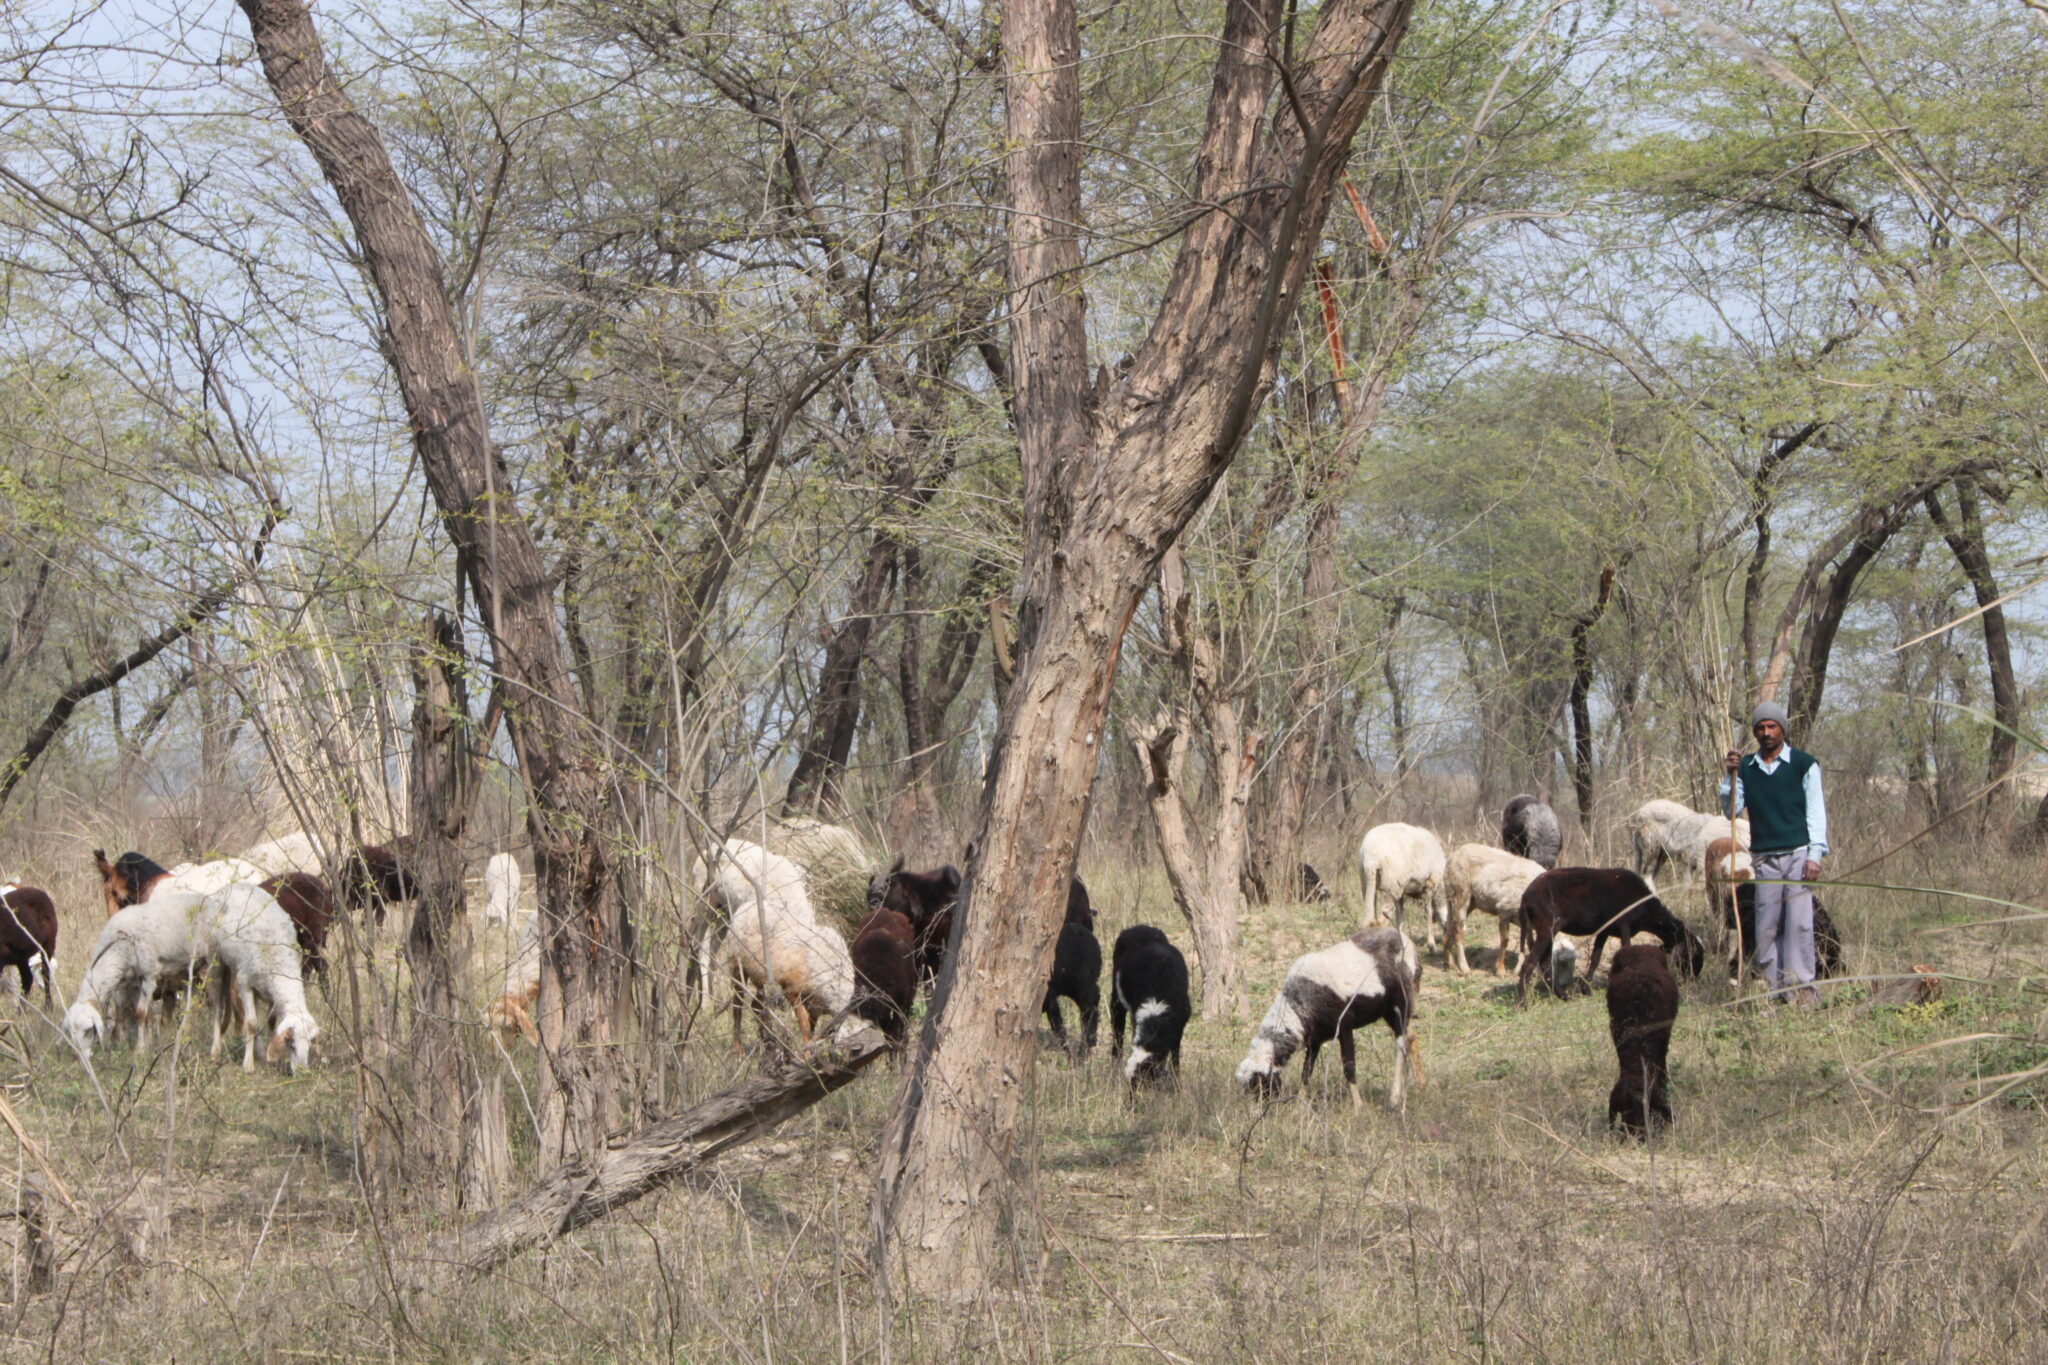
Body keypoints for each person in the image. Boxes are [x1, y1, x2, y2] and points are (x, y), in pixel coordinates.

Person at [1720, 700, 1829, 1007]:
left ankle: (1804, 990)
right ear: (1755, 732)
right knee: (1767, 925)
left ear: (1782, 729)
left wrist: (1814, 856)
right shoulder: (1746, 768)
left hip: (1798, 853)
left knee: (1800, 923)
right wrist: (1729, 776)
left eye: (1772, 726)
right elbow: (1731, 810)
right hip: (1764, 857)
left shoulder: (1804, 764)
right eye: (1761, 728)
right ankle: (1773, 991)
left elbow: (1816, 812)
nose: (1766, 733)